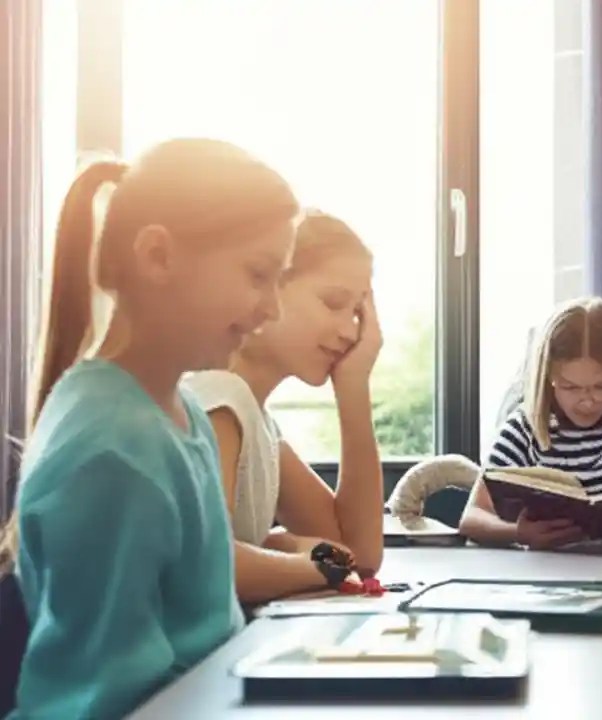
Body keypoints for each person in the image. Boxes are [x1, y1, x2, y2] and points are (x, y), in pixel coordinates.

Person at [3, 139, 299, 718]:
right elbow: (107, 698)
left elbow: (205, 634)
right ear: (158, 255)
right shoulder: (113, 448)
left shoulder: (179, 413)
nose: (273, 310)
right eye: (258, 274)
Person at [184, 210, 387, 604]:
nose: (350, 331)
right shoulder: (217, 401)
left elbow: (359, 554)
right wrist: (303, 560)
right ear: (268, 290)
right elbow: (210, 565)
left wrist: (353, 387)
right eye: (333, 303)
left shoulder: (255, 418)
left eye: (357, 315)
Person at [459, 297, 602, 550]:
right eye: (570, 387)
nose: (587, 402)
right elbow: (471, 518)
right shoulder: (524, 429)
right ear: (547, 378)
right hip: (547, 578)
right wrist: (518, 532)